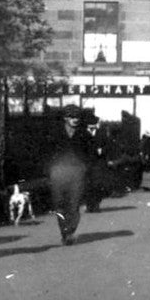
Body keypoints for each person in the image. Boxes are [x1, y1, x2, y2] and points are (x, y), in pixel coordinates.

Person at [48, 104, 94, 245]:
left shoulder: (84, 134)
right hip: (58, 173)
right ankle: (64, 231)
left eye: (77, 117)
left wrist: (86, 167)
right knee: (60, 204)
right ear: (65, 118)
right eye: (72, 117)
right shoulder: (55, 133)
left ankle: (70, 231)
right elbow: (47, 152)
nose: (75, 119)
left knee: (74, 204)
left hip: (77, 173)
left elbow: (90, 154)